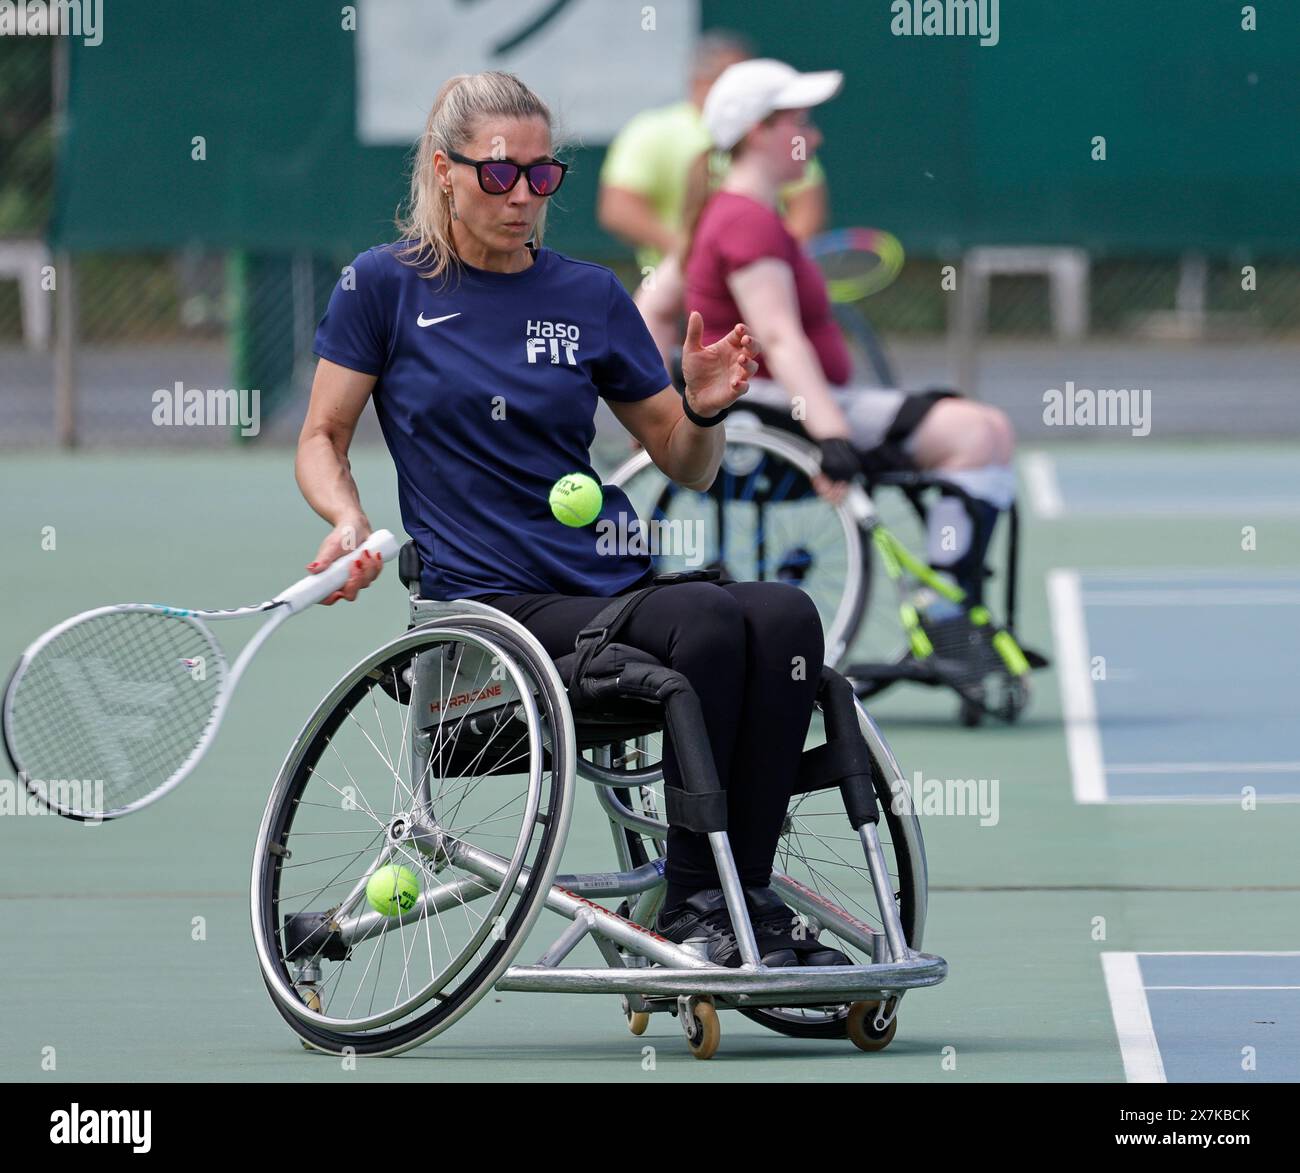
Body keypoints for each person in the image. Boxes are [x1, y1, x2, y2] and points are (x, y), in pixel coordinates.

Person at [297, 71, 848, 969]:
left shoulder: (589, 294)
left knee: (785, 613)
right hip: (487, 611)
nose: (523, 197)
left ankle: (742, 896)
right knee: (704, 618)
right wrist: (347, 517)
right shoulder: (382, 287)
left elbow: (684, 461)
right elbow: (321, 435)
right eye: (500, 175)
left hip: (606, 587)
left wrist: (702, 408)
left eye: (542, 177)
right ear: (444, 171)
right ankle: (696, 901)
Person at [682, 58, 1018, 612]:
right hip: (770, 412)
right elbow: (779, 336)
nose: (814, 137)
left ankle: (952, 605)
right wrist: (832, 435)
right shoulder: (745, 220)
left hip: (785, 406)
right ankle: (946, 612)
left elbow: (661, 304)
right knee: (976, 436)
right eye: (801, 122)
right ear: (760, 131)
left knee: (991, 429)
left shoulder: (740, 214)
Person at [598, 30, 829, 368]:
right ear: (701, 80)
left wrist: (768, 264)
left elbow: (807, 204)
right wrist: (699, 257)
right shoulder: (652, 131)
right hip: (686, 300)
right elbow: (618, 209)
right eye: (736, 77)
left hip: (762, 295)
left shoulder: (784, 137)